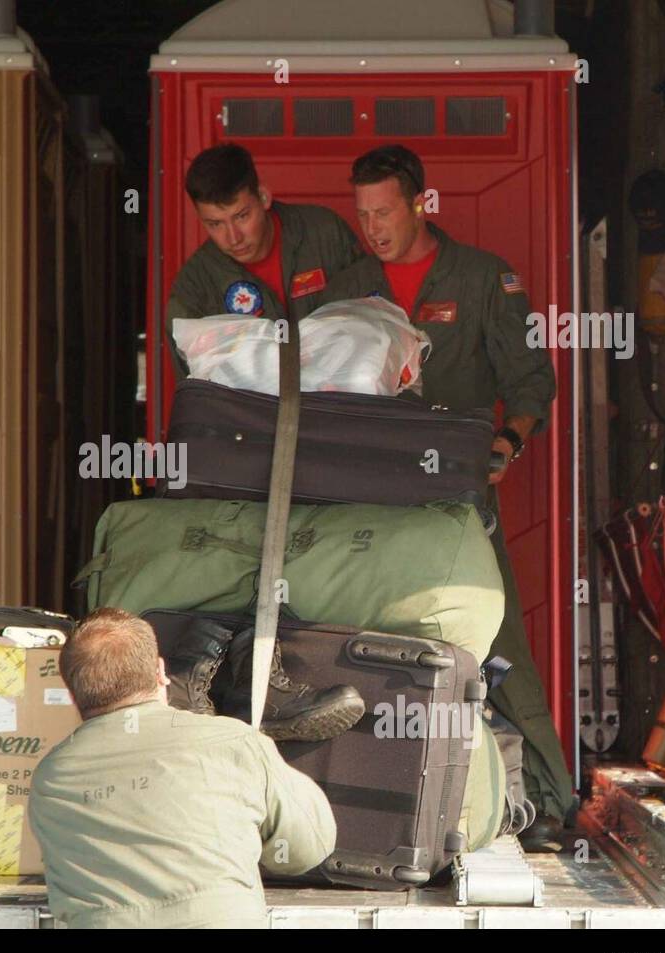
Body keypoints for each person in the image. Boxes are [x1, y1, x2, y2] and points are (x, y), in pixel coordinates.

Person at [322, 144, 575, 851]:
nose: (373, 227)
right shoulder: (348, 287)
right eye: (363, 214)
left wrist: (508, 444)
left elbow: (531, 382)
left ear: (420, 204)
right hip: (371, 499)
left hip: (458, 495)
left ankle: (550, 797)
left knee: (497, 639)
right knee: (356, 638)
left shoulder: (484, 277)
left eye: (385, 212)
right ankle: (369, 803)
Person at [26, 608, 344, 929]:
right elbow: (308, 849)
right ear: (161, 671)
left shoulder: (50, 777)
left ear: (71, 694)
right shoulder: (234, 742)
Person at [165, 142, 364, 380]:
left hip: (336, 407)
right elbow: (198, 396)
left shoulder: (325, 234)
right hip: (251, 416)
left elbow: (369, 329)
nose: (233, 238)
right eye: (215, 224)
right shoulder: (194, 288)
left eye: (241, 216)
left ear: (263, 197)